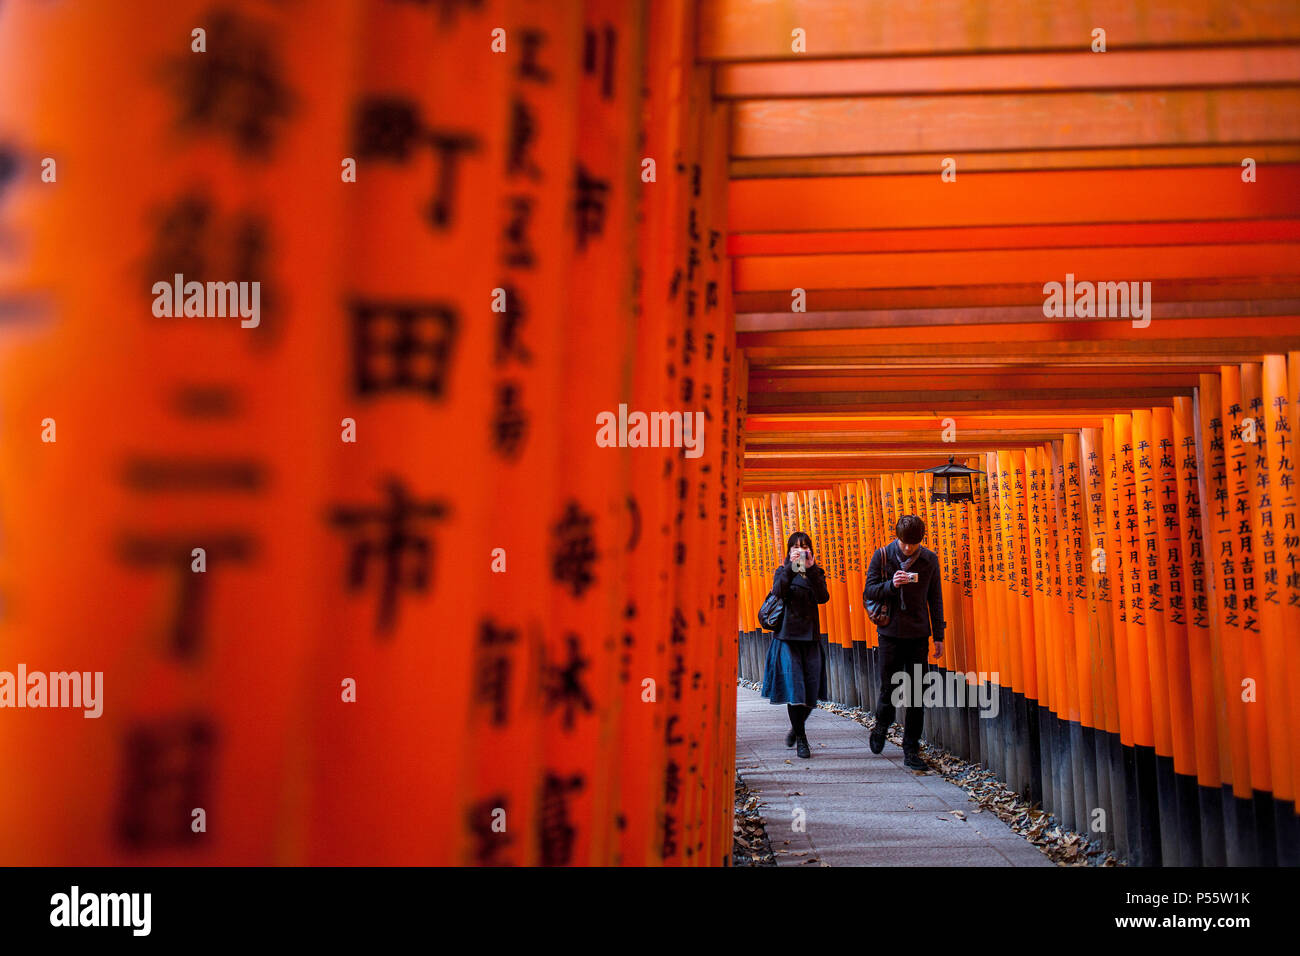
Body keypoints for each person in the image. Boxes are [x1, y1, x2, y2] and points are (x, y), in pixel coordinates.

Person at [862, 514, 945, 771]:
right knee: (889, 689)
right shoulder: (883, 556)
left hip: (918, 636)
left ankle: (911, 750)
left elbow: (935, 598)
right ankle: (881, 726)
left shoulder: (929, 560)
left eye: (913, 544)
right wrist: (891, 584)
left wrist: (938, 636)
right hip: (890, 635)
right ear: (897, 537)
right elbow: (869, 591)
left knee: (917, 696)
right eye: (904, 542)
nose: (908, 548)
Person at [760, 531, 831, 758]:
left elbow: (823, 597)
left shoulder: (815, 572)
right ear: (789, 551)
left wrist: (810, 569)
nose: (800, 550)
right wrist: (792, 567)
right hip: (788, 638)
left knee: (810, 694)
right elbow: (778, 591)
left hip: (810, 639)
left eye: (805, 546)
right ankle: (801, 738)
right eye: (796, 547)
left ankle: (795, 728)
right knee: (795, 691)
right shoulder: (782, 572)